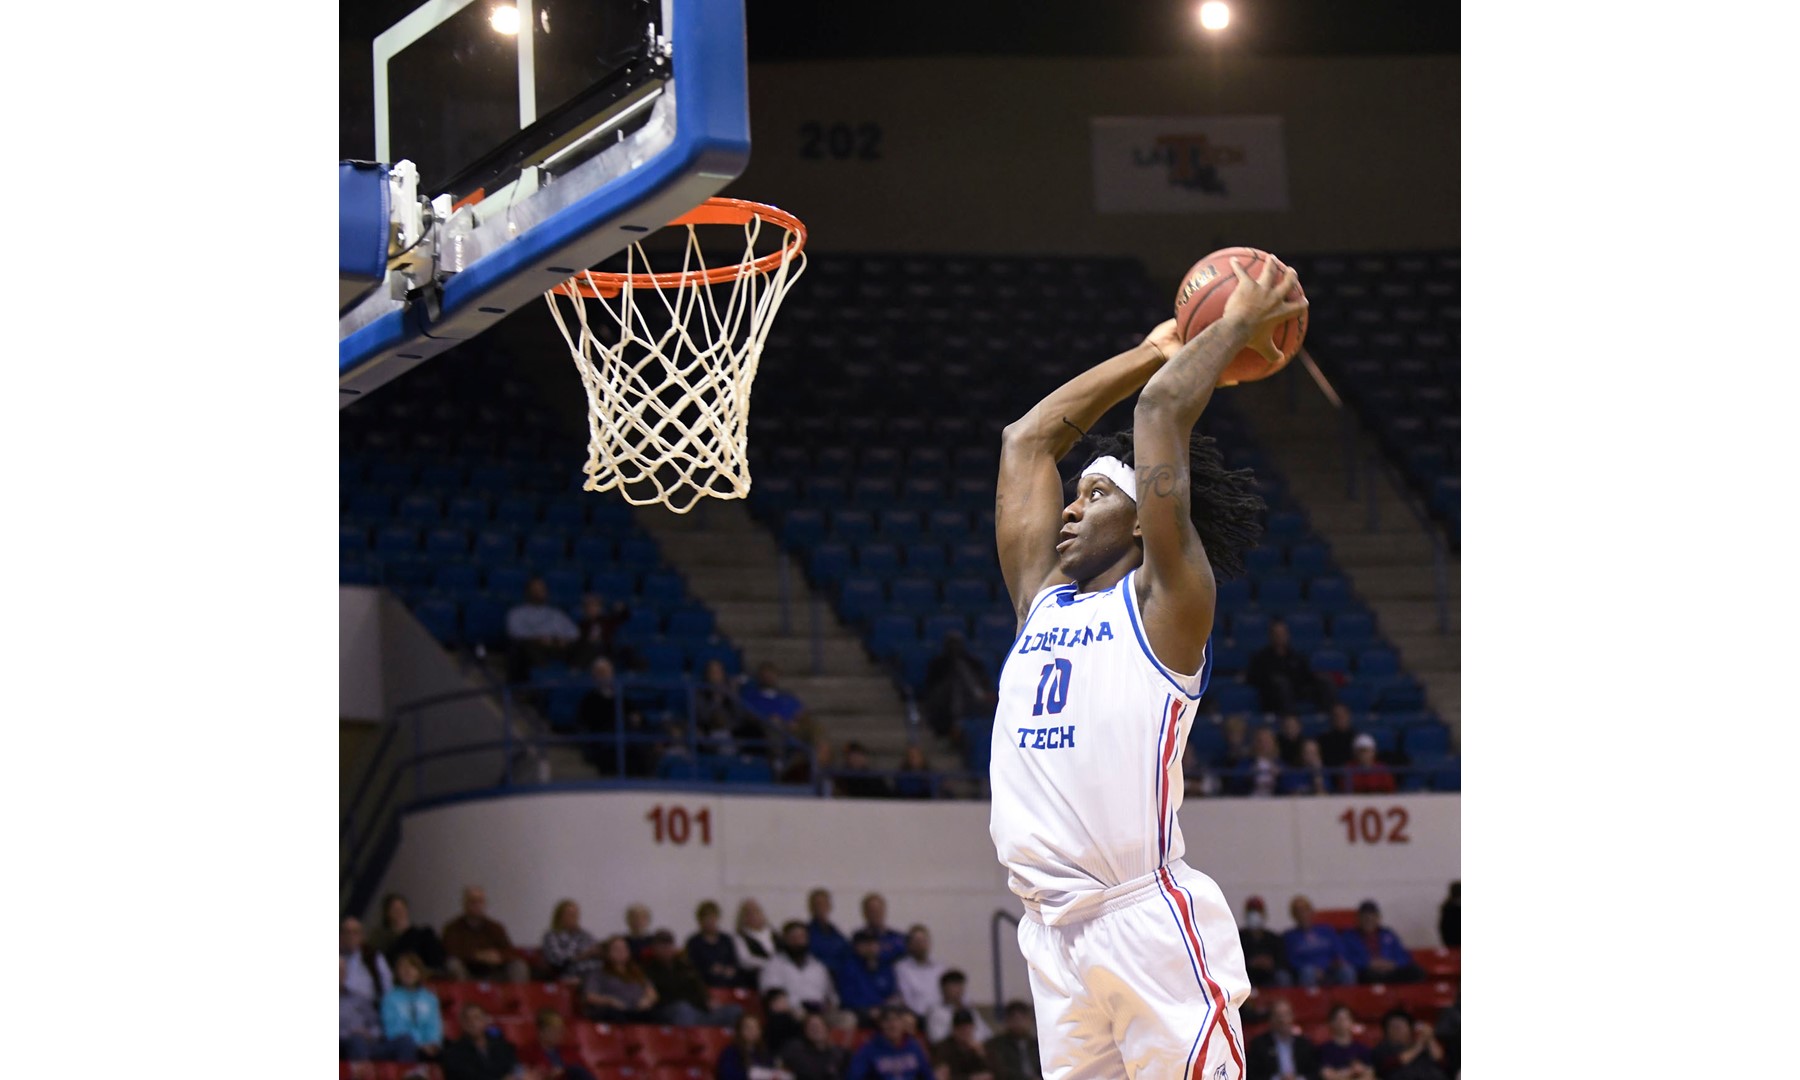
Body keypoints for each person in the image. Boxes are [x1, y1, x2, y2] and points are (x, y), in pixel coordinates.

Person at [989, 263, 1305, 1080]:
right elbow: (1026, 440)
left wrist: (1230, 326)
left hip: (1145, 924)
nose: (1068, 507)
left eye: (1092, 495)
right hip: (1051, 937)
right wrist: (1148, 348)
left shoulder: (1168, 604)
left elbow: (1162, 411)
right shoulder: (1042, 604)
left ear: (1142, 520)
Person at [643, 929, 744, 1027]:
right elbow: (657, 996)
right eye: (662, 946)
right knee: (682, 1009)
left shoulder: (685, 966)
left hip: (699, 1011)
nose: (666, 949)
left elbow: (699, 986)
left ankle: (711, 1038)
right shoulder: (648, 969)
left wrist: (708, 999)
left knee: (735, 1010)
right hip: (671, 1011)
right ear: (654, 948)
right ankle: (694, 1039)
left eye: (669, 945)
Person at [340, 948, 419, 1064]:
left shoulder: (358, 998)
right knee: (356, 1041)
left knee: (405, 1041)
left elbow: (377, 1025)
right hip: (345, 1044)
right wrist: (351, 1033)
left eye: (341, 971)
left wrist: (370, 1034)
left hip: (369, 1043)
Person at [921, 631, 997, 745]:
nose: (954, 648)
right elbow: (930, 687)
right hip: (944, 706)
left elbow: (985, 683)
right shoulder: (937, 664)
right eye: (951, 644)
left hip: (975, 704)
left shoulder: (973, 663)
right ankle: (955, 726)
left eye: (957, 644)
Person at [443, 886, 530, 983]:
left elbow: (509, 950)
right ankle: (462, 997)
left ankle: (516, 996)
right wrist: (477, 956)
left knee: (518, 965)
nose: (477, 905)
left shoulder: (495, 927)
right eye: (473, 901)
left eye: (480, 901)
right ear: (465, 904)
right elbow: (451, 951)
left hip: (494, 972)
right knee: (453, 964)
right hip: (468, 972)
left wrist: (499, 956)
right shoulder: (452, 928)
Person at [506, 576, 581, 681]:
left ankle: (577, 678)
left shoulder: (556, 613)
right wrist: (537, 638)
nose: (539, 592)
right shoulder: (517, 613)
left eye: (541, 589)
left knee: (587, 644)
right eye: (535, 589)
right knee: (522, 647)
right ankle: (543, 680)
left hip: (557, 645)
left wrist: (565, 639)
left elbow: (575, 632)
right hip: (534, 646)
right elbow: (515, 632)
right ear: (528, 592)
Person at [763, 920, 839, 1016]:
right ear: (785, 939)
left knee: (847, 1019)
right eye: (793, 937)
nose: (797, 941)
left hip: (819, 1011)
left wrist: (830, 1004)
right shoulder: (774, 964)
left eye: (801, 937)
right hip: (792, 1011)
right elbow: (771, 990)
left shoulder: (818, 966)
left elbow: (831, 994)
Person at [1338, 901, 1423, 985]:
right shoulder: (1348, 937)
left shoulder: (1388, 934)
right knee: (1366, 976)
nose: (1369, 921)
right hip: (1367, 972)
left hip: (1390, 970)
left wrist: (1393, 964)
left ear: (1378, 918)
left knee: (1416, 971)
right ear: (1358, 919)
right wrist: (1368, 964)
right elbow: (1344, 959)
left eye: (1372, 917)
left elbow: (1404, 956)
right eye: (1365, 918)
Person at [381, 953, 445, 1062]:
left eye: (412, 967)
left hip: (428, 1046)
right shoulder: (389, 998)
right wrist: (418, 1044)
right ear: (397, 973)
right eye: (403, 968)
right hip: (401, 1045)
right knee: (406, 1045)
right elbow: (392, 1029)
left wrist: (433, 1043)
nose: (408, 972)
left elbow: (434, 1024)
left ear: (419, 972)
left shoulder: (430, 998)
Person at [583, 935, 660, 1023]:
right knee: (614, 1015)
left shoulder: (637, 972)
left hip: (637, 1010)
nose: (621, 952)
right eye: (616, 949)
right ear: (608, 953)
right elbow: (590, 996)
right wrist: (609, 1001)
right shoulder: (598, 973)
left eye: (624, 948)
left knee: (656, 1015)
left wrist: (647, 1000)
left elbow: (652, 992)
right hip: (614, 1011)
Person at [1283, 895, 1356, 987]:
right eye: (1298, 911)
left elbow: (1339, 950)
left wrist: (1338, 961)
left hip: (1330, 970)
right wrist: (1315, 969)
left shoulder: (1327, 930)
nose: (1303, 914)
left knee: (1347, 971)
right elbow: (1292, 961)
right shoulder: (1289, 936)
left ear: (1312, 911)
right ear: (1294, 915)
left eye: (1306, 910)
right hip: (1307, 972)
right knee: (1308, 972)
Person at [440, 1002, 524, 1080]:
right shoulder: (454, 1053)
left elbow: (515, 1068)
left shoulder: (503, 1046)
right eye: (467, 1019)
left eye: (477, 1018)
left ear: (485, 1020)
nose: (472, 1022)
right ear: (462, 1024)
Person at [835, 929, 902, 1026]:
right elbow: (847, 998)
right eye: (866, 944)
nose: (871, 947)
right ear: (857, 947)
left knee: (905, 1019)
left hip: (883, 1010)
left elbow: (891, 994)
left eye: (874, 943)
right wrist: (871, 1007)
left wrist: (882, 1006)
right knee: (848, 1019)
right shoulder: (848, 968)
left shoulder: (885, 967)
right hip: (857, 1010)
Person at [847, 1005, 935, 1080]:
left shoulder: (914, 1046)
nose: (893, 1025)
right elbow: (853, 1077)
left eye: (897, 1020)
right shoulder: (868, 1049)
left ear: (903, 1024)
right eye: (887, 1021)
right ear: (880, 1024)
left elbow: (928, 1076)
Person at [1245, 997, 1319, 1080]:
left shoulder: (1304, 1044)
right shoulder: (1259, 1045)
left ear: (1293, 1016)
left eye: (1286, 1015)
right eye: (1278, 1016)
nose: (1282, 1020)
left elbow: (1315, 1073)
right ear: (1270, 1019)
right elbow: (1253, 1075)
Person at [376, 893, 449, 975]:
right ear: (387, 913)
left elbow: (436, 962)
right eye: (394, 909)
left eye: (401, 908)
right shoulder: (381, 939)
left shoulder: (424, 935)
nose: (398, 912)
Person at [741, 662, 813, 744]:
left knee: (814, 728)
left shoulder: (785, 695)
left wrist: (797, 720)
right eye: (765, 675)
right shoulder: (751, 696)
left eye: (771, 675)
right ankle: (778, 756)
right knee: (775, 723)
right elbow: (750, 715)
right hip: (767, 728)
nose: (768, 678)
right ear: (759, 677)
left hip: (793, 728)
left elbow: (801, 710)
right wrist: (782, 721)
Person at [520, 1008, 599, 1080]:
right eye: (554, 1030)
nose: (559, 1035)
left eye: (560, 1031)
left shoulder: (569, 1051)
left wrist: (564, 1070)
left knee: (577, 1070)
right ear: (541, 1032)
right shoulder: (528, 1052)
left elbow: (586, 1072)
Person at [689, 899, 752, 989]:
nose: (710, 922)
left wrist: (728, 969)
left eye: (712, 917)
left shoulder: (726, 940)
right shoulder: (694, 942)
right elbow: (694, 965)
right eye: (706, 918)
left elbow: (734, 960)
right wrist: (710, 969)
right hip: (707, 981)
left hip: (729, 980)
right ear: (700, 921)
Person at [1368, 1010, 1447, 1080]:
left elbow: (1441, 1062)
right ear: (1386, 1031)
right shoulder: (1382, 1048)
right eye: (1393, 1026)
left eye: (1401, 1026)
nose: (1397, 1030)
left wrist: (1430, 1038)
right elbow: (1388, 1065)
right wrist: (1418, 1047)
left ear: (1410, 1029)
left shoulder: (1424, 1046)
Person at [542, 899, 607, 984]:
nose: (575, 918)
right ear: (560, 916)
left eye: (576, 915)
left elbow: (596, 948)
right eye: (570, 915)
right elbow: (558, 962)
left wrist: (601, 951)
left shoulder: (585, 934)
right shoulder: (552, 936)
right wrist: (584, 955)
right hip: (573, 974)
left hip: (597, 971)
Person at [715, 1013, 793, 1080]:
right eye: (748, 1028)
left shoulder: (763, 1052)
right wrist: (750, 1075)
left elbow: (773, 1070)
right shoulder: (731, 1052)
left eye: (756, 1028)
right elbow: (727, 1075)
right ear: (739, 1031)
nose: (753, 1031)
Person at [924, 970, 991, 1044]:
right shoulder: (936, 1012)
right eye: (954, 985)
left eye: (960, 985)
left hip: (978, 1048)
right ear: (943, 988)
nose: (958, 990)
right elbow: (937, 1039)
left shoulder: (970, 1010)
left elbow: (987, 1034)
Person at [894, 925, 946, 1018]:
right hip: (915, 1016)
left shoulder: (940, 969)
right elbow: (906, 997)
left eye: (924, 941)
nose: (920, 945)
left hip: (939, 1016)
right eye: (916, 941)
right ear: (909, 945)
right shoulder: (901, 968)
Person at [780, 1011, 850, 1080]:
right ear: (805, 1031)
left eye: (819, 1026)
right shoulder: (795, 1049)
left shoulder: (840, 1053)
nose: (816, 1029)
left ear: (827, 1028)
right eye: (811, 1027)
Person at [1237, 896, 1289, 989]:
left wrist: (1270, 963)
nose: (1254, 915)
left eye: (1258, 911)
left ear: (1263, 914)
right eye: (1251, 911)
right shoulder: (1239, 937)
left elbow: (1282, 960)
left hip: (1270, 974)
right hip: (1248, 974)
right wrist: (1251, 963)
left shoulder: (1273, 938)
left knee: (1283, 976)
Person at [982, 1001, 1042, 1080]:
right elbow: (1001, 1071)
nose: (1019, 1023)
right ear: (1007, 1021)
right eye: (1015, 1019)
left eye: (1023, 1019)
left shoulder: (1037, 1044)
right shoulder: (996, 1045)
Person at [933, 1008, 996, 1080]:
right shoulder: (943, 1048)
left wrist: (982, 1054)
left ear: (973, 1027)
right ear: (954, 1029)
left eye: (968, 1028)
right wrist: (971, 1078)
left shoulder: (980, 1047)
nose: (965, 1031)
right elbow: (942, 1076)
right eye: (961, 1028)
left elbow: (998, 1073)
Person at [1316, 1005, 1376, 1080]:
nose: (1342, 1022)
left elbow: (1370, 1075)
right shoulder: (1324, 1050)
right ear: (1331, 1023)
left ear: (1352, 1022)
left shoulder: (1362, 1049)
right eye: (1339, 1019)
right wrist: (1352, 1072)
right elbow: (1327, 1075)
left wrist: (1341, 1073)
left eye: (1346, 1018)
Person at [573, 591, 629, 669]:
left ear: (600, 608)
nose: (592, 609)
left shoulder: (608, 621)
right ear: (585, 609)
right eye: (589, 606)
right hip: (588, 652)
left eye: (595, 606)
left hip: (606, 650)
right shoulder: (581, 625)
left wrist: (621, 607)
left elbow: (624, 616)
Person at [736, 898, 779, 983]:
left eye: (756, 912)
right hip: (757, 977)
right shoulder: (741, 937)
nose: (754, 916)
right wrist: (769, 964)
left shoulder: (774, 934)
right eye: (749, 913)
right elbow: (745, 960)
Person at [1212, 714, 1254, 796]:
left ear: (1243, 733)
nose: (1234, 736)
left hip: (1248, 796)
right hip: (1225, 796)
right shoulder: (1220, 756)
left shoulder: (1251, 756)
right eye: (1231, 732)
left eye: (1238, 732)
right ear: (1226, 734)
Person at [806, 888, 850, 968]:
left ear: (829, 906)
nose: (820, 908)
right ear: (810, 907)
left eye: (823, 904)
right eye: (816, 904)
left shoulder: (837, 935)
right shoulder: (805, 935)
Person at [760, 988, 806, 1058]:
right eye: (782, 1001)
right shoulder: (777, 1020)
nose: (786, 1003)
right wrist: (798, 1021)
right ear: (772, 1005)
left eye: (786, 1000)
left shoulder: (788, 1017)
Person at [1317, 704, 1361, 770]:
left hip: (1353, 776)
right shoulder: (1323, 739)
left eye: (1342, 715)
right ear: (1331, 718)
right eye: (1336, 716)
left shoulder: (1358, 738)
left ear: (1348, 716)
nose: (1339, 718)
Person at [1248, 726, 1283, 797]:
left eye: (1267, 741)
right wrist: (1248, 777)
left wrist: (1280, 777)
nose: (1264, 745)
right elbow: (1234, 787)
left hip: (1276, 803)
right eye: (1260, 741)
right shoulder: (1246, 763)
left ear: (1273, 743)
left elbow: (1289, 788)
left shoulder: (1281, 764)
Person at [1438, 882, 1459, 948]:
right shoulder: (1449, 908)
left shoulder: (1447, 907)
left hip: (1451, 942)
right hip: (1454, 942)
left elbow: (1443, 926)